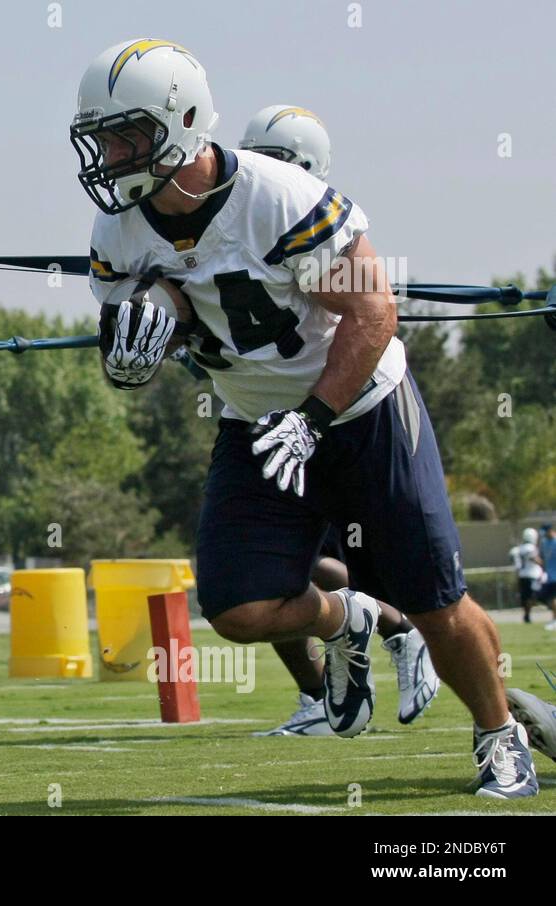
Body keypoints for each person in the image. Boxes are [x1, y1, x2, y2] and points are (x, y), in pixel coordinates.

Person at [74, 39, 546, 797]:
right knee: (237, 605)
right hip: (254, 419)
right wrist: (148, 321)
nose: (111, 153)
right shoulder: (119, 229)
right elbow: (177, 294)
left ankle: (500, 737)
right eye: (101, 137)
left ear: (184, 123)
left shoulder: (279, 196)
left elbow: (371, 311)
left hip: (363, 408)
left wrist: (315, 418)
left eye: (126, 133)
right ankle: (347, 618)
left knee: (433, 600)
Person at [238, 107, 439, 736]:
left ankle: (405, 633)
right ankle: (320, 694)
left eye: (277, 164)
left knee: (408, 569)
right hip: (263, 421)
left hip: (345, 418)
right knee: (260, 579)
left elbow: (370, 311)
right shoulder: (231, 223)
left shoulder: (324, 228)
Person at [508, 527, 547, 625]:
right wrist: (543, 563)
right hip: (533, 574)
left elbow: (514, 560)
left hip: (522, 575)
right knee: (534, 596)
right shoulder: (531, 548)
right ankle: (529, 614)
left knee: (525, 597)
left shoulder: (519, 548)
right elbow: (534, 558)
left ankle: (527, 615)